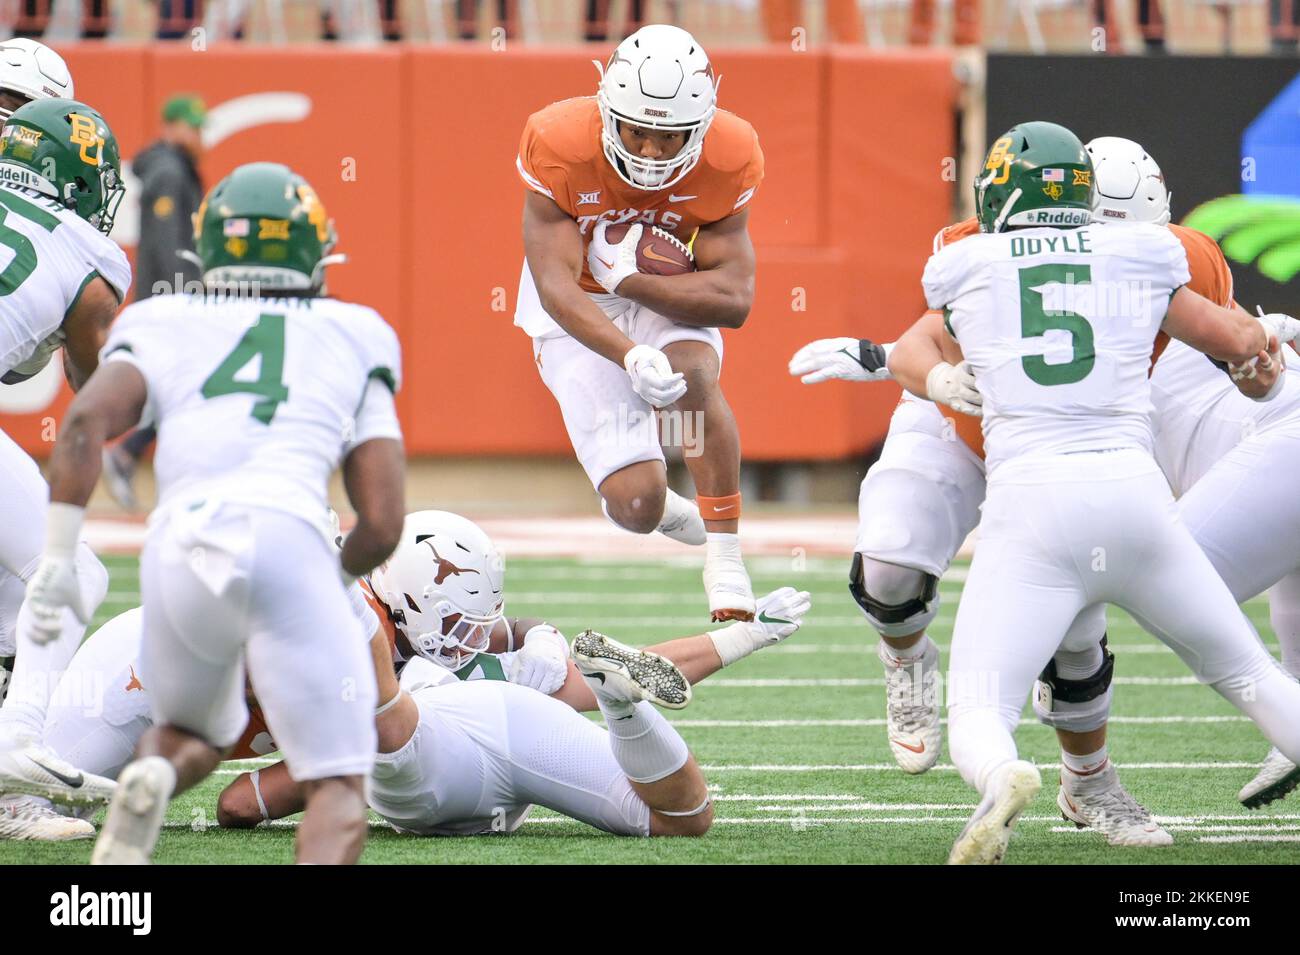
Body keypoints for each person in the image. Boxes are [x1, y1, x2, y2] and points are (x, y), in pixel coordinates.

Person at [890, 121, 1300, 864]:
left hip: (1032, 511)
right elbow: (1240, 345)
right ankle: (1090, 775)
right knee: (1251, 675)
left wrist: (942, 380)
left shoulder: (969, 258)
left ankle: (1005, 772)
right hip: (1136, 504)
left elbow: (910, 348)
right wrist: (1263, 352)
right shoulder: (1140, 250)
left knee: (978, 707)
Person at [23, 161, 407, 865]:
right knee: (339, 787)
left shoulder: (159, 318)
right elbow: (382, 520)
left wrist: (55, 557)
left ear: (211, 249)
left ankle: (155, 773)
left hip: (183, 542)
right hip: (290, 533)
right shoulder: (357, 330)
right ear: (314, 249)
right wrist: (334, 578)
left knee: (189, 731)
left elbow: (80, 426)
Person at [516, 23, 763, 624]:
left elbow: (734, 298)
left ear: (700, 127)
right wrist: (628, 353)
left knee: (693, 373)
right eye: (637, 131)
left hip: (664, 292)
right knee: (636, 506)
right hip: (581, 303)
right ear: (607, 112)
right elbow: (554, 287)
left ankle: (726, 556)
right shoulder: (558, 141)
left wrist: (637, 284)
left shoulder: (730, 155)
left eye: (669, 135)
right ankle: (662, 506)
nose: (651, 151)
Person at [0, 98, 130, 826]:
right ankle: (15, 741)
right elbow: (94, 391)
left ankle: (6, 800)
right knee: (73, 569)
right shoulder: (86, 251)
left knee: (11, 597)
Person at [101, 94, 206, 513]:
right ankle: (129, 453)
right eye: (194, 127)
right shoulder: (168, 172)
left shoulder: (172, 169)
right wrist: (187, 296)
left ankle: (130, 454)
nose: (200, 137)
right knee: (184, 384)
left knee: (180, 386)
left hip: (167, 299)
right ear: (172, 126)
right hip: (170, 301)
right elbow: (168, 244)